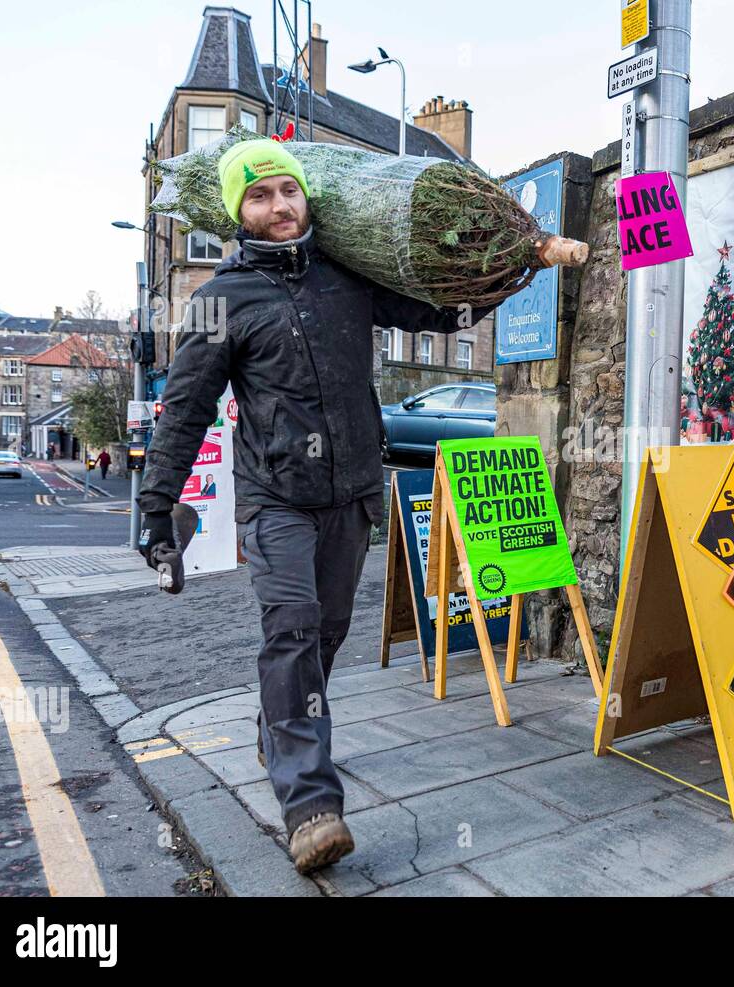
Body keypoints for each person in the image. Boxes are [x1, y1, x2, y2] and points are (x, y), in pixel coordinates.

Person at [136, 137, 482, 874]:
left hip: (352, 493)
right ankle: (309, 804)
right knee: (291, 627)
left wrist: (496, 267)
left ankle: (279, 724)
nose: (279, 207)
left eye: (287, 191)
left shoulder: (346, 277)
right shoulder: (217, 301)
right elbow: (184, 410)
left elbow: (435, 308)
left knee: (323, 634)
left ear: (305, 196)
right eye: (259, 197)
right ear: (238, 211)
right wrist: (155, 507)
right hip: (275, 499)